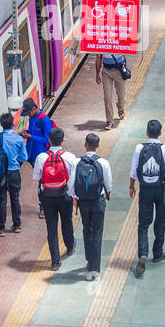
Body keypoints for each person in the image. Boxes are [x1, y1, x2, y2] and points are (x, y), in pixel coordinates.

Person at [128, 119, 165, 278]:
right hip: (161, 189)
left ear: (147, 133)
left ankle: (143, 252)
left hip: (145, 190)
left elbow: (134, 170)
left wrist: (132, 186)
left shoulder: (139, 148)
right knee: (160, 220)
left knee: (143, 223)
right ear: (161, 133)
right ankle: (157, 252)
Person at [34, 126, 79, 271]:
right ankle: (70, 246)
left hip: (47, 197)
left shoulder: (41, 157)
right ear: (63, 140)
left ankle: (55, 262)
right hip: (64, 196)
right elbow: (73, 178)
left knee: (51, 228)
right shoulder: (70, 157)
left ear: (49, 140)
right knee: (67, 222)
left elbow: (36, 177)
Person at [72, 133, 114, 281]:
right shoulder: (103, 163)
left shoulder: (77, 162)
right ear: (98, 146)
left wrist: (75, 198)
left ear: (85, 145)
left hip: (83, 202)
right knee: (97, 232)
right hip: (98, 201)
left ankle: (89, 259)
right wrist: (105, 195)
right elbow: (108, 184)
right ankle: (94, 268)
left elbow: (72, 184)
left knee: (86, 229)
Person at [0, 112, 29, 235]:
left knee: (2, 200)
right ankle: (17, 225)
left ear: (1, 125)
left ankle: (1, 228)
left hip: (1, 174)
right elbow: (24, 157)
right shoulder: (18, 139)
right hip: (14, 173)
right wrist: (14, 159)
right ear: (13, 124)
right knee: (15, 199)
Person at [20, 97, 53, 218]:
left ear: (34, 109)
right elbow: (30, 130)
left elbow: (47, 140)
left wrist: (31, 137)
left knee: (42, 182)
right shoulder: (32, 117)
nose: (28, 115)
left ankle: (43, 207)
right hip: (30, 154)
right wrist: (24, 132)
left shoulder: (44, 120)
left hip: (40, 155)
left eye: (29, 112)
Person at [96, 52, 129, 129]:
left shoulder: (121, 39)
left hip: (119, 70)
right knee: (107, 97)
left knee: (122, 95)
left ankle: (120, 108)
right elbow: (98, 57)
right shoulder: (101, 41)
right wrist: (97, 74)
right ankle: (109, 121)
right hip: (106, 71)